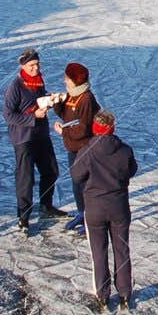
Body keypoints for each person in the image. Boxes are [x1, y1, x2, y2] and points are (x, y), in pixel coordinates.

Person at [74, 109, 139, 313]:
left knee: (99, 252)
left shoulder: (87, 151)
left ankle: (103, 295)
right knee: (122, 250)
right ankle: (125, 293)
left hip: (95, 208)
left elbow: (76, 175)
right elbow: (132, 170)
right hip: (119, 206)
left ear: (95, 127)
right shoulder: (124, 150)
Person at [3, 48, 63, 233]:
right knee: (25, 178)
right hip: (23, 139)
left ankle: (46, 205)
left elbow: (39, 99)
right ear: (23, 66)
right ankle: (23, 217)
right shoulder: (16, 86)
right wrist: (33, 117)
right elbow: (8, 115)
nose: (35, 68)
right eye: (31, 65)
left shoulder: (37, 82)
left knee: (51, 171)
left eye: (37, 64)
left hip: (41, 135)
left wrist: (50, 98)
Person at [53, 62, 98, 233]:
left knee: (85, 184)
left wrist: (62, 132)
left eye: (67, 78)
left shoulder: (86, 98)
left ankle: (90, 217)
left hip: (84, 148)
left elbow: (83, 128)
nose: (64, 81)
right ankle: (81, 212)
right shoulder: (72, 95)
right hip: (73, 147)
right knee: (76, 183)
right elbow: (67, 115)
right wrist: (57, 104)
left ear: (75, 80)